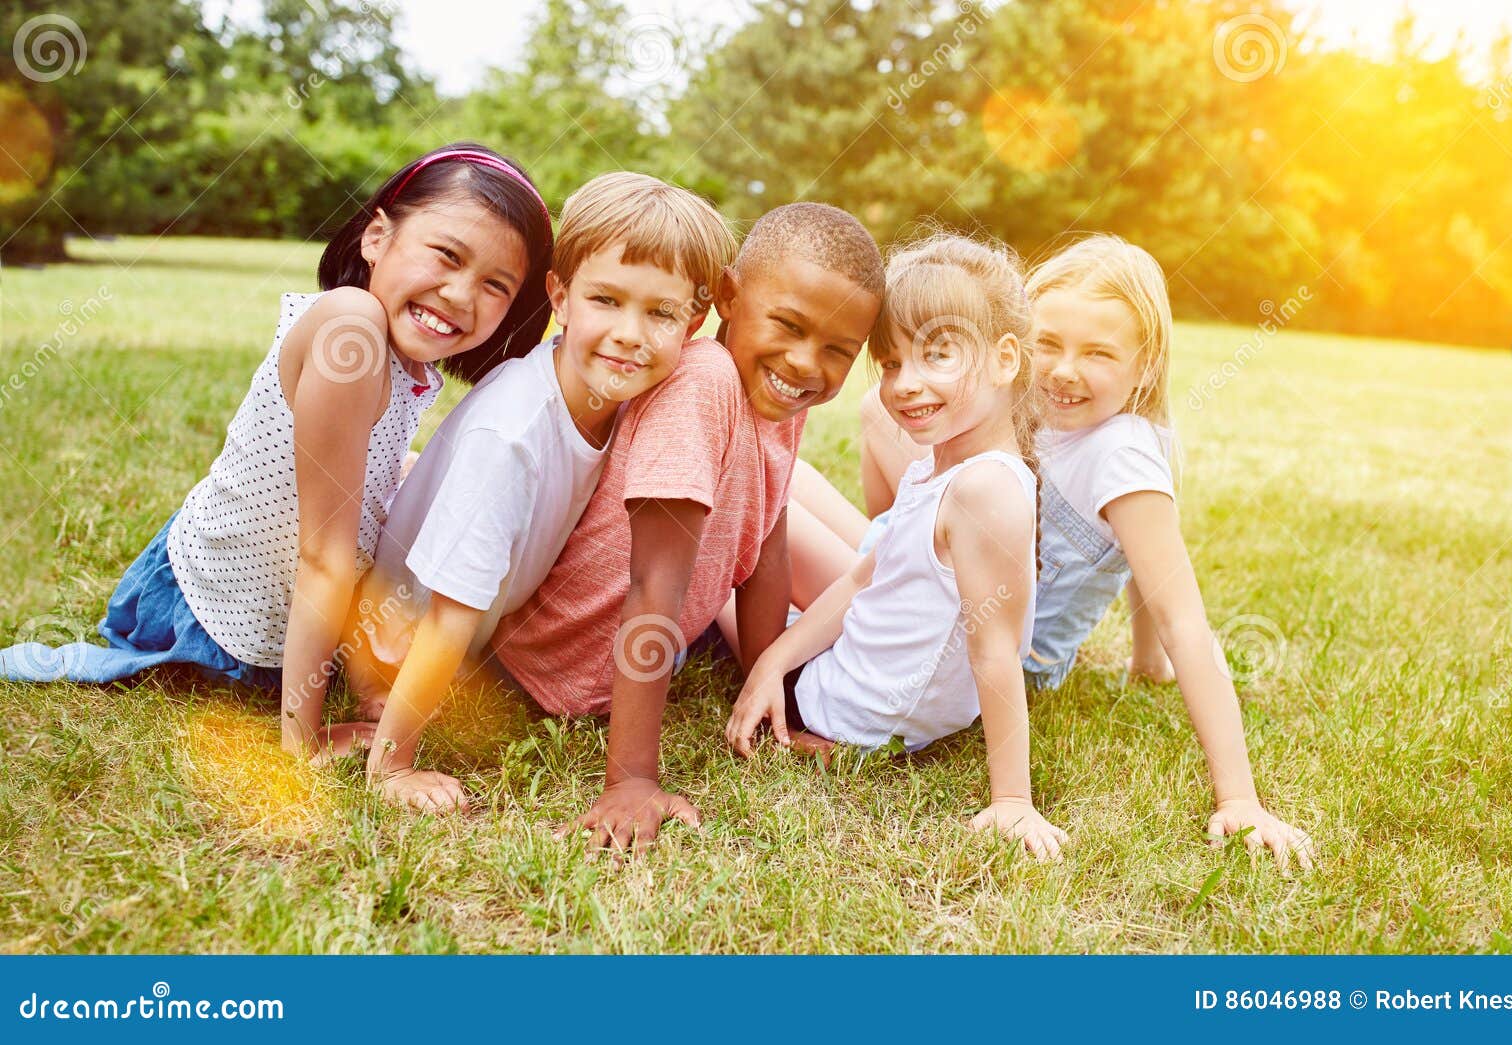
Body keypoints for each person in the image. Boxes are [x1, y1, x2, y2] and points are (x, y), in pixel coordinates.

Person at [761, 234, 1315, 868]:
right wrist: (1144, 660)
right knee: (840, 439)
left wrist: (1238, 797)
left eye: (1098, 353)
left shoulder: (1123, 456)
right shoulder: (1033, 412)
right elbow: (1135, 572)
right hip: (937, 579)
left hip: (987, 633)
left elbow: (1179, 613)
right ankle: (879, 567)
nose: (1062, 370)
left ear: (1146, 365)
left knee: (769, 504)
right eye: (1048, 344)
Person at [0, 143, 555, 767]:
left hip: (295, 617)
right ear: (377, 237)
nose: (459, 293)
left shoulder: (402, 360)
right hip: (217, 616)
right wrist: (305, 740)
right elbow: (323, 556)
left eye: (495, 285)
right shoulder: (351, 326)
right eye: (447, 255)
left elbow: (362, 477)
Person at [487, 203, 884, 849]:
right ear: (728, 293)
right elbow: (651, 584)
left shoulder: (778, 391)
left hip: (633, 651)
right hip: (551, 675)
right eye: (788, 324)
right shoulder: (704, 382)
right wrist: (632, 778)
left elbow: (766, 553)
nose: (807, 362)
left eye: (839, 350)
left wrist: (768, 697)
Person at [343, 171, 737, 812]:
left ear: (694, 323)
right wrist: (393, 766)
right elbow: (450, 613)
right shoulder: (513, 435)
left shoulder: (611, 395)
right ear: (560, 296)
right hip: (403, 653)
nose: (630, 333)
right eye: (606, 300)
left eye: (660, 312)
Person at [726, 231, 1067, 858]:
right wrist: (770, 661)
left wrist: (1013, 802)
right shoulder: (944, 467)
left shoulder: (984, 488)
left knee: (726, 553)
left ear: (1005, 359)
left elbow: (995, 651)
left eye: (937, 354)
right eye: (890, 363)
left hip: (842, 713)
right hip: (848, 681)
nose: (905, 383)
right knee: (774, 496)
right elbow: (862, 581)